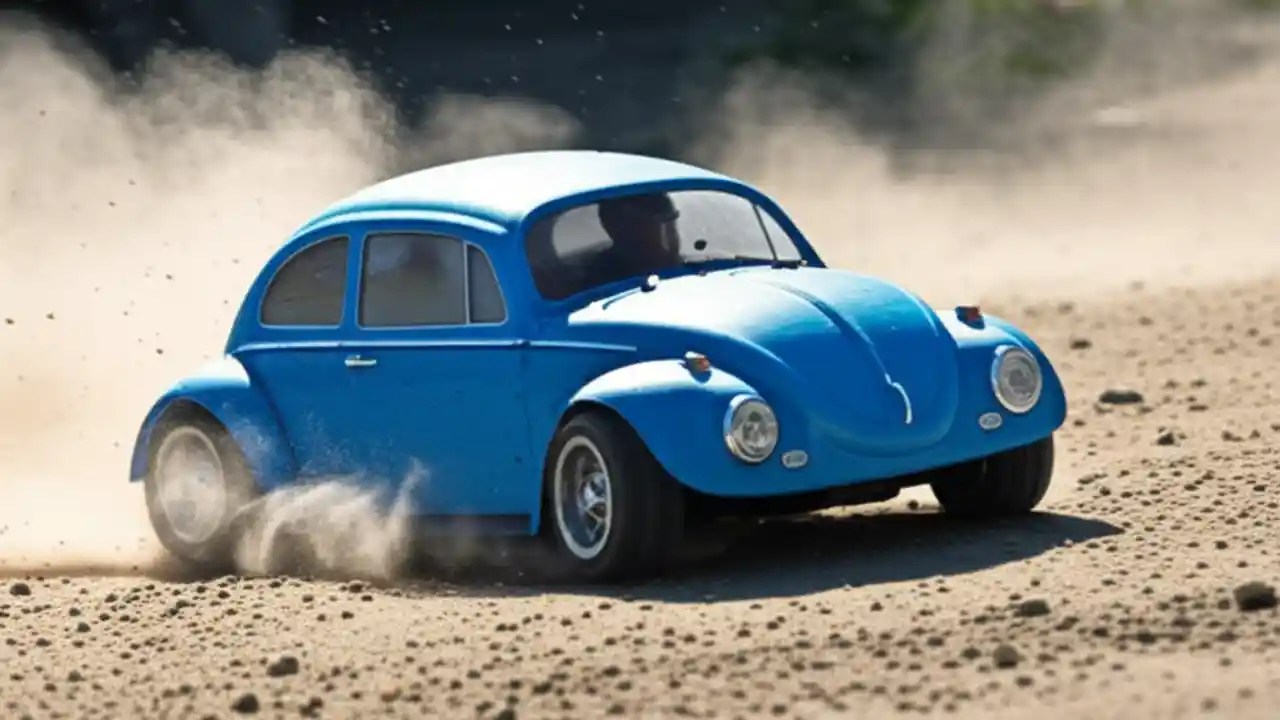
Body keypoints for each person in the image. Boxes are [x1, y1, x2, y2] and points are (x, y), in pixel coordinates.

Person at [595, 192, 683, 278]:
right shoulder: (598, 276)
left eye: (670, 226)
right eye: (650, 226)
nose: (665, 242)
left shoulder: (686, 270)